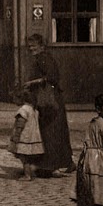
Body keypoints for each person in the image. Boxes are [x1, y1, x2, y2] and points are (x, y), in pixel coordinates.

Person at [24, 34, 73, 176]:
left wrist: (32, 83)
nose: (31, 48)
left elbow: (52, 77)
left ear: (41, 46)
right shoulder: (43, 57)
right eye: (29, 46)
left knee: (49, 132)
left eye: (34, 46)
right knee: (56, 132)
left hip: (49, 101)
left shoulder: (43, 58)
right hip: (50, 100)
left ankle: (52, 165)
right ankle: (65, 163)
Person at [10, 92, 44, 181]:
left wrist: (17, 135)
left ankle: (27, 175)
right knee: (28, 157)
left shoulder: (23, 110)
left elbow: (20, 124)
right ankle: (30, 171)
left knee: (24, 157)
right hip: (33, 137)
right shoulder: (34, 110)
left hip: (25, 137)